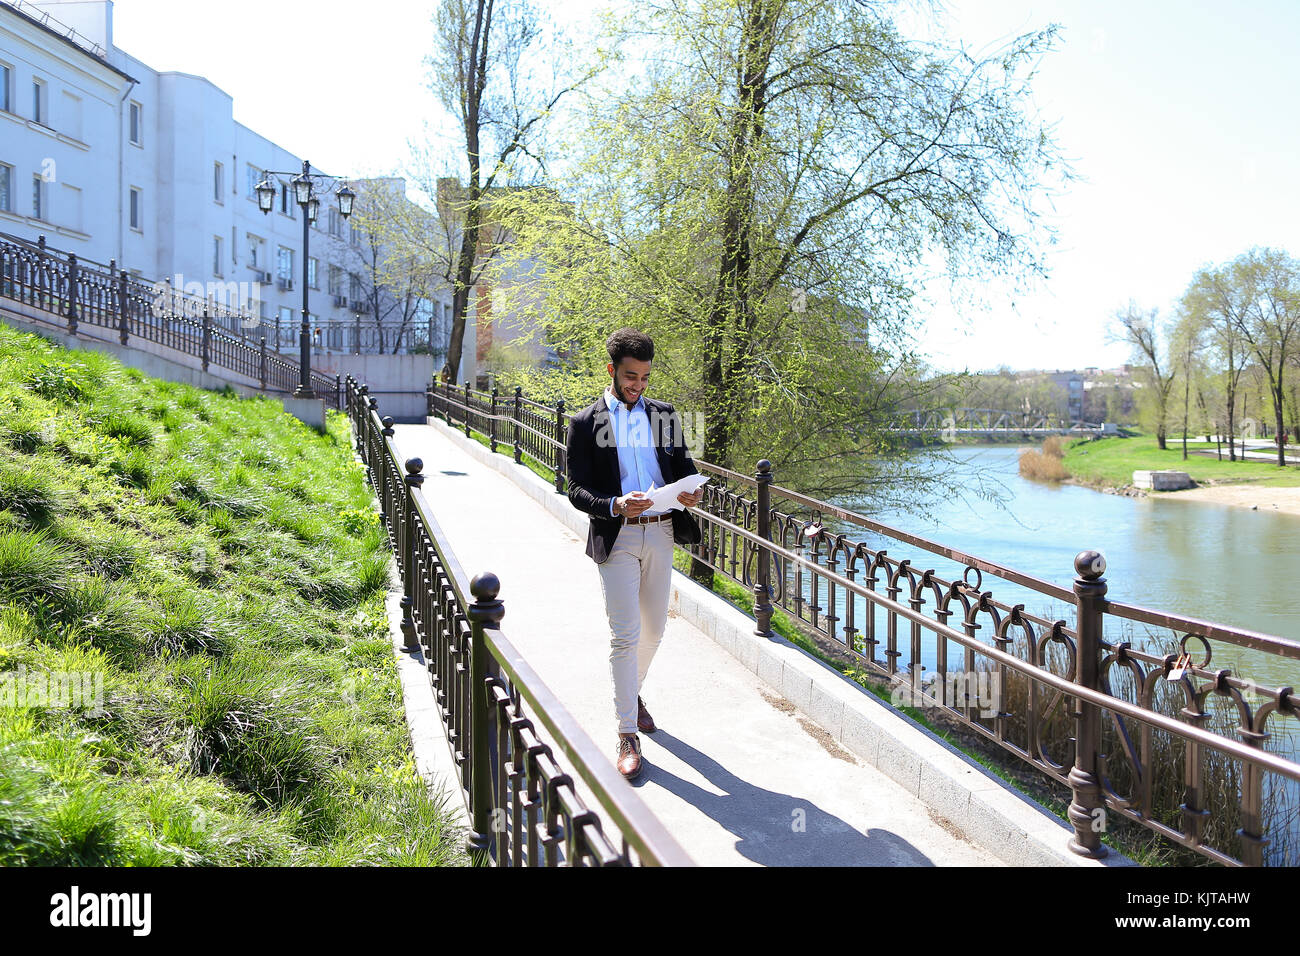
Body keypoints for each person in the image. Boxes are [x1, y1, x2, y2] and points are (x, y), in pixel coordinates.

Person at [565, 328, 703, 780]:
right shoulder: (587, 423)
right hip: (617, 536)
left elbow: (683, 468)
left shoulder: (663, 415)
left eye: (644, 378)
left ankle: (632, 691)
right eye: (630, 376)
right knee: (625, 635)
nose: (638, 386)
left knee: (655, 631)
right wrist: (614, 505)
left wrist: (688, 493)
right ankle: (627, 731)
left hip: (661, 531)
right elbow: (576, 489)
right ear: (611, 370)